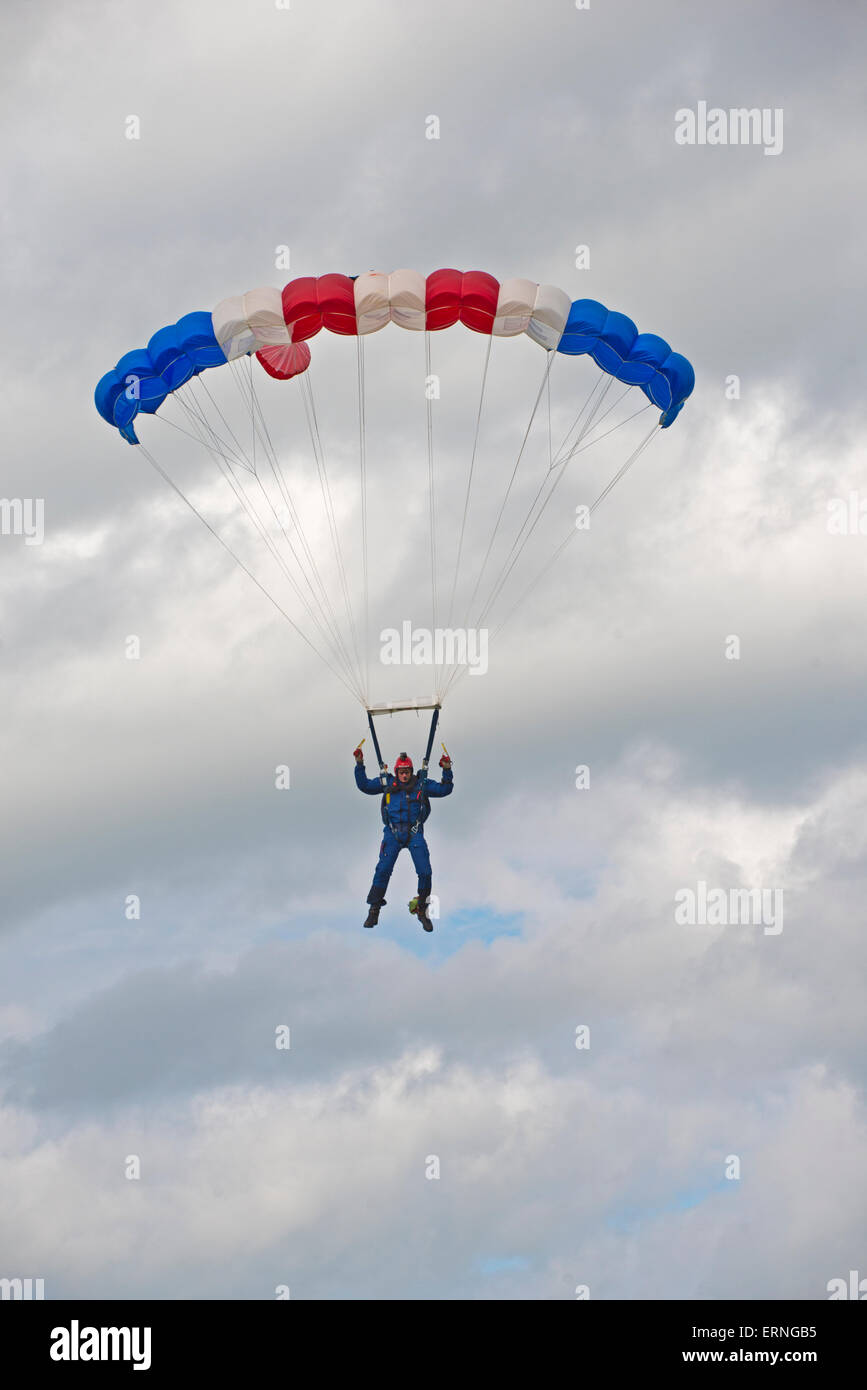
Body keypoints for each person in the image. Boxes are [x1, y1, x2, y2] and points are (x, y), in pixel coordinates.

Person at [353, 744, 453, 931]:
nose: (405, 775)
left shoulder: (421, 785)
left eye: (407, 772)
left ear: (411, 772)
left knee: (425, 871)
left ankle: (421, 907)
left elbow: (444, 790)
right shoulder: (387, 783)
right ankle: (374, 908)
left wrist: (447, 769)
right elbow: (364, 785)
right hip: (392, 833)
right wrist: (359, 764)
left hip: (414, 833)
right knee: (383, 870)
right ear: (396, 772)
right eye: (401, 772)